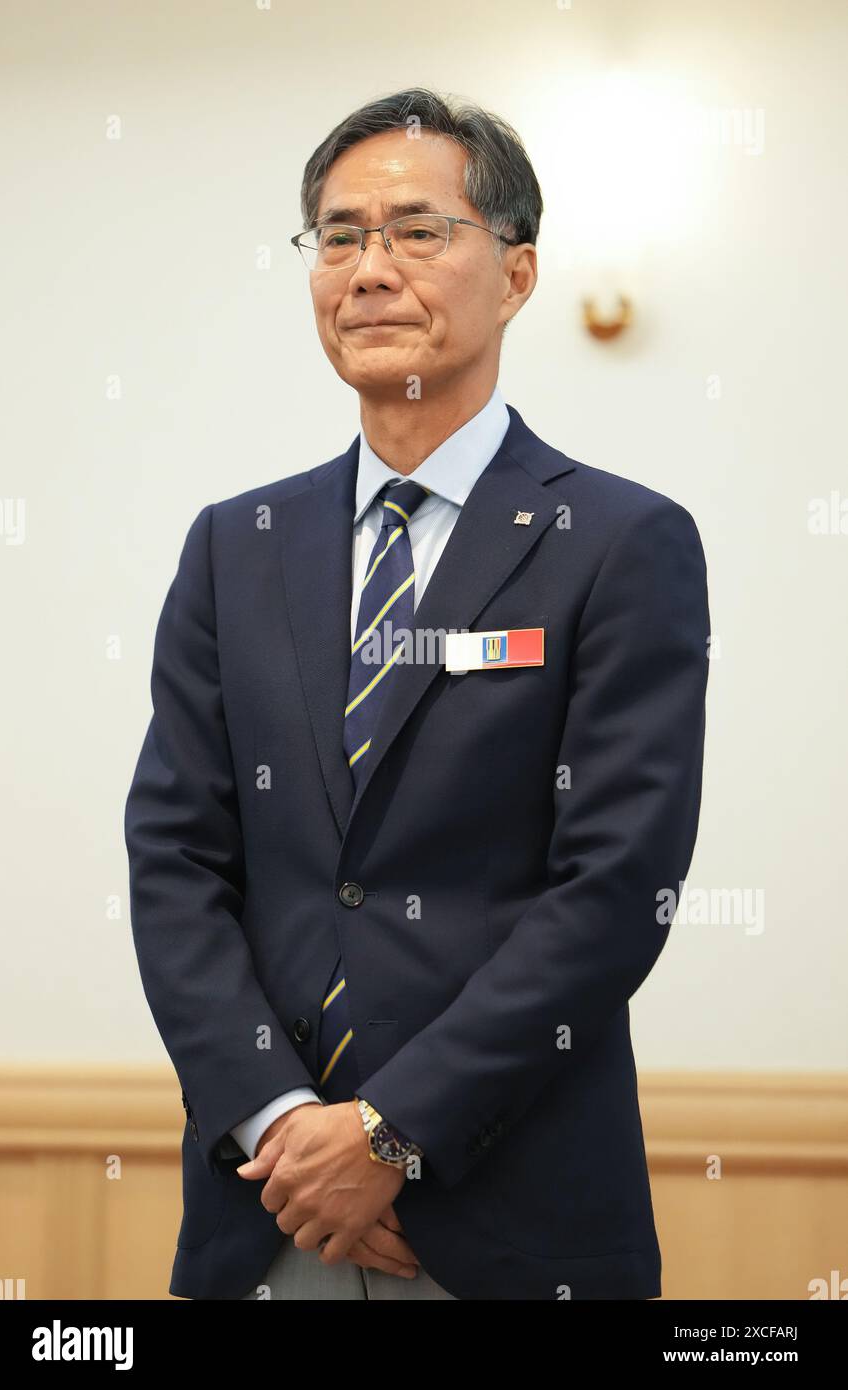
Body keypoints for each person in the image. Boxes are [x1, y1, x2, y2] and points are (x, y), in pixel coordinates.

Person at [124, 87, 709, 1301]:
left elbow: (610, 891)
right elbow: (175, 863)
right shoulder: (236, 546)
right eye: (338, 237)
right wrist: (286, 1126)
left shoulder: (618, 541)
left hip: (512, 1221)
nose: (369, 270)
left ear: (517, 272)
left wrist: (389, 1134)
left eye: (415, 231)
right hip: (261, 1215)